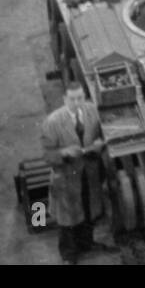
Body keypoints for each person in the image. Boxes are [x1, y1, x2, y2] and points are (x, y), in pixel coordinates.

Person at [41, 83, 112, 265]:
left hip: (90, 174)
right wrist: (64, 153)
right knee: (68, 219)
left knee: (89, 210)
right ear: (64, 99)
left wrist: (100, 143)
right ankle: (69, 256)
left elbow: (106, 133)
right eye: (72, 99)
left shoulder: (93, 111)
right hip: (66, 177)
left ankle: (87, 244)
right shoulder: (53, 122)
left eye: (80, 97)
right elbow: (47, 155)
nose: (77, 102)